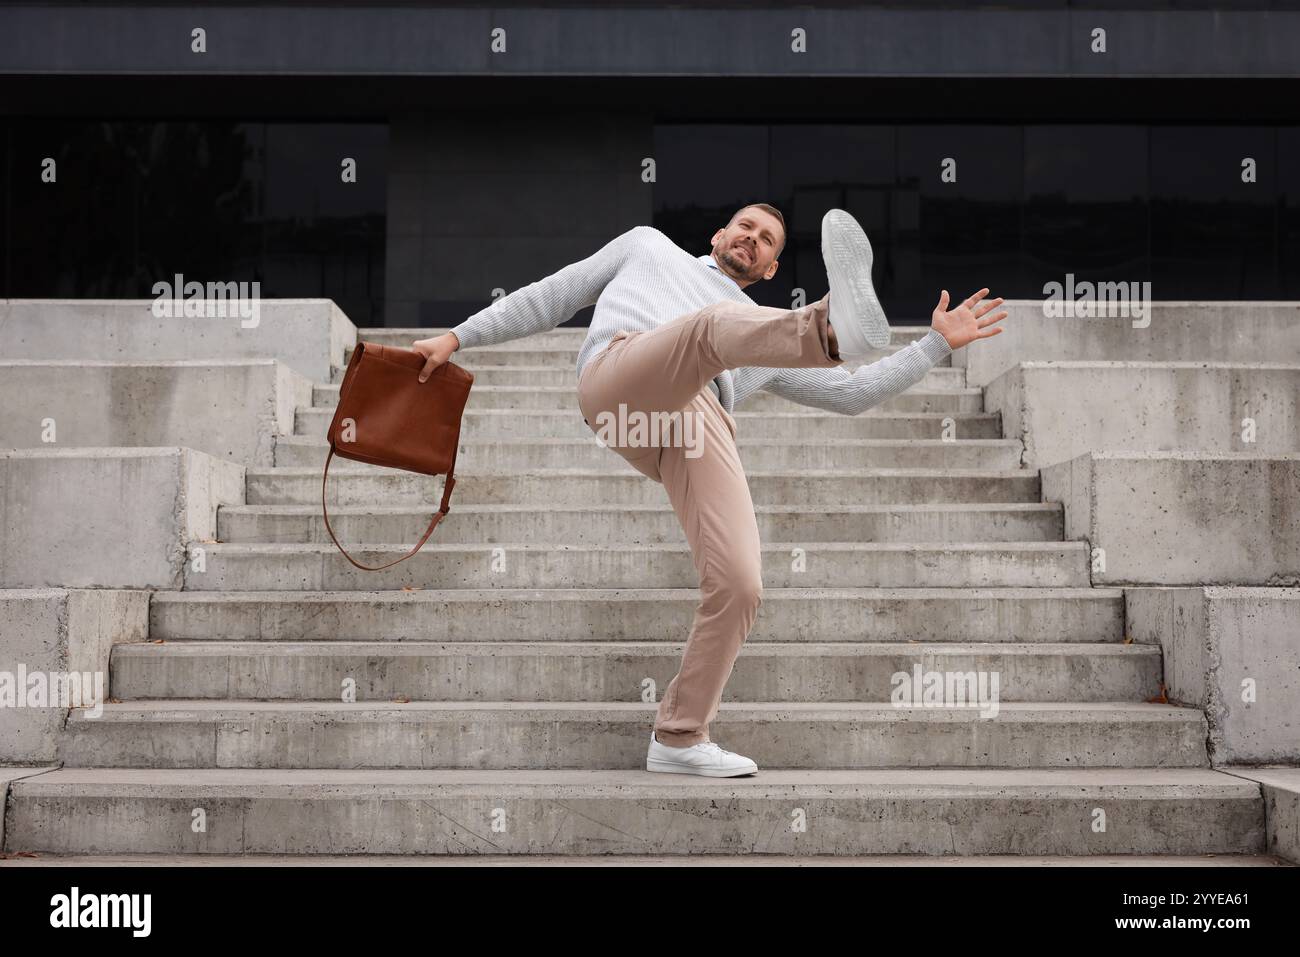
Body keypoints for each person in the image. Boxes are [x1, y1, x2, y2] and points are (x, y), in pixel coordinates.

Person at [413, 205, 1007, 777]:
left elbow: (853, 394)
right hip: (623, 380)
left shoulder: (762, 338)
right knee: (712, 326)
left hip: (696, 421)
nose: (753, 238)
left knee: (741, 582)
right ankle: (832, 327)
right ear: (719, 234)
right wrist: (456, 338)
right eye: (745, 227)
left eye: (768, 239)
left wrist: (934, 345)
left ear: (772, 268)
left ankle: (679, 735)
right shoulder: (648, 246)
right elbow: (554, 295)